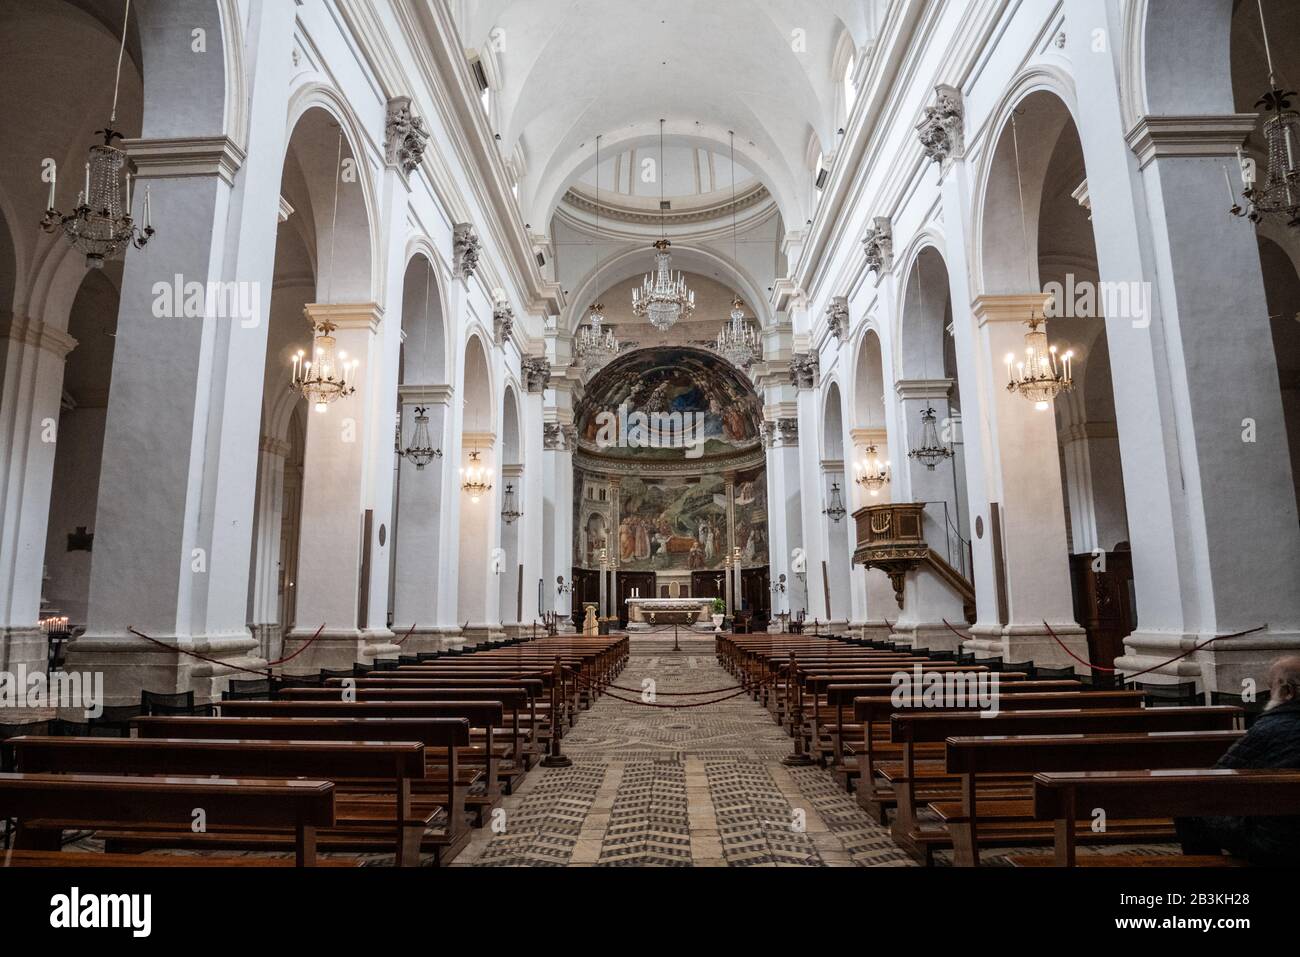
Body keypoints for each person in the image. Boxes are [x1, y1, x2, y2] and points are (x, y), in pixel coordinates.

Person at [1175, 656, 1300, 865]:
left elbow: (1217, 779)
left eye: (1271, 688)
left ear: (1287, 692)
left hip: (1277, 841)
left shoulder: (1269, 728)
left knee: (1188, 806)